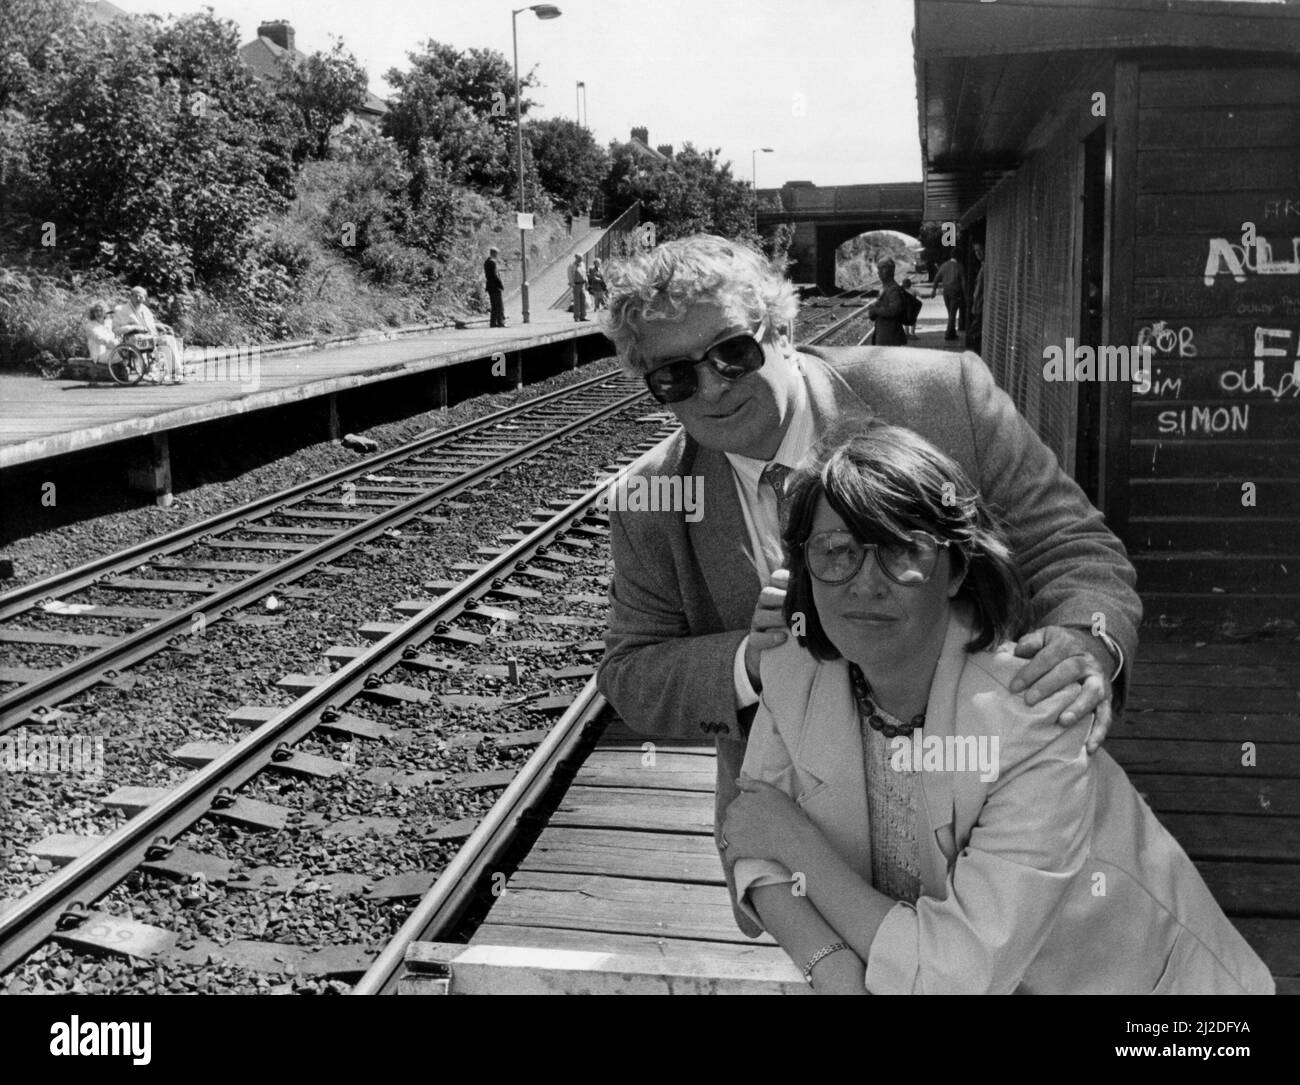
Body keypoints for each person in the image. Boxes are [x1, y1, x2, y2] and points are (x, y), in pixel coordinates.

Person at [595, 234, 1140, 937]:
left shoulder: (947, 398)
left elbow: (1075, 545)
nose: (712, 387)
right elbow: (631, 668)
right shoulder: (653, 500)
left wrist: (1083, 639)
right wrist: (750, 664)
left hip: (995, 789)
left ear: (782, 331)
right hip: (810, 831)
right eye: (674, 376)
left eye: (732, 352)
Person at [723, 427, 1272, 994]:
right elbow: (753, 854)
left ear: (957, 569)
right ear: (805, 568)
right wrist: (833, 968)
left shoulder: (1034, 721)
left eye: (902, 551)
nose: (865, 584)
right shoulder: (794, 670)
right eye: (836, 553)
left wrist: (797, 843)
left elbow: (952, 975)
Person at [112, 286, 182, 382]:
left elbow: (150, 325)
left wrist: (160, 325)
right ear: (131, 296)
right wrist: (134, 327)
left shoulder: (144, 309)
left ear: (144, 298)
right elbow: (115, 329)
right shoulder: (122, 310)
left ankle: (176, 371)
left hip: (148, 338)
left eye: (141, 297)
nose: (138, 299)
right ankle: (175, 372)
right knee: (165, 341)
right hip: (134, 341)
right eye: (136, 296)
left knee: (171, 339)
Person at [865, 257, 907, 346]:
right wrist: (875, 308)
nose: (879, 272)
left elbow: (894, 310)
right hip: (884, 334)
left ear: (891, 270)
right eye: (878, 268)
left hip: (890, 336)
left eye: (883, 268)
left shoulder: (894, 289)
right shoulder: (885, 288)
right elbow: (885, 307)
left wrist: (875, 310)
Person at [931, 251, 965, 341]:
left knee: (950, 313)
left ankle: (952, 332)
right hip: (956, 292)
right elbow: (963, 282)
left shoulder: (944, 265)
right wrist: (965, 294)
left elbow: (936, 278)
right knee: (952, 313)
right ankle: (949, 334)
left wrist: (934, 289)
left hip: (946, 293)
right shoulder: (959, 266)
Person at [966, 240, 985, 354]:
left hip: (981, 307)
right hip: (977, 306)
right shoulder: (982, 266)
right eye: (975, 251)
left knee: (974, 333)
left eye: (980, 250)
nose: (977, 253)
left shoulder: (985, 267)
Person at [485, 247, 506, 328]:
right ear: (494, 253)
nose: (497, 255)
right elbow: (495, 275)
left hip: (490, 286)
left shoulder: (487, 262)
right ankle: (501, 322)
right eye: (497, 254)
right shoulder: (492, 262)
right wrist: (500, 284)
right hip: (495, 286)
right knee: (499, 305)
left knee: (494, 305)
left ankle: (493, 323)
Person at [570, 255, 589, 321]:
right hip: (576, 284)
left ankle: (583, 316)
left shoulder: (583, 264)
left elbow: (584, 273)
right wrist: (572, 284)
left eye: (581, 259)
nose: (581, 260)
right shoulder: (572, 265)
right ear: (576, 258)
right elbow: (570, 275)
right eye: (580, 259)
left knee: (583, 301)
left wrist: (586, 280)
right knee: (577, 301)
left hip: (582, 284)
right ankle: (576, 317)